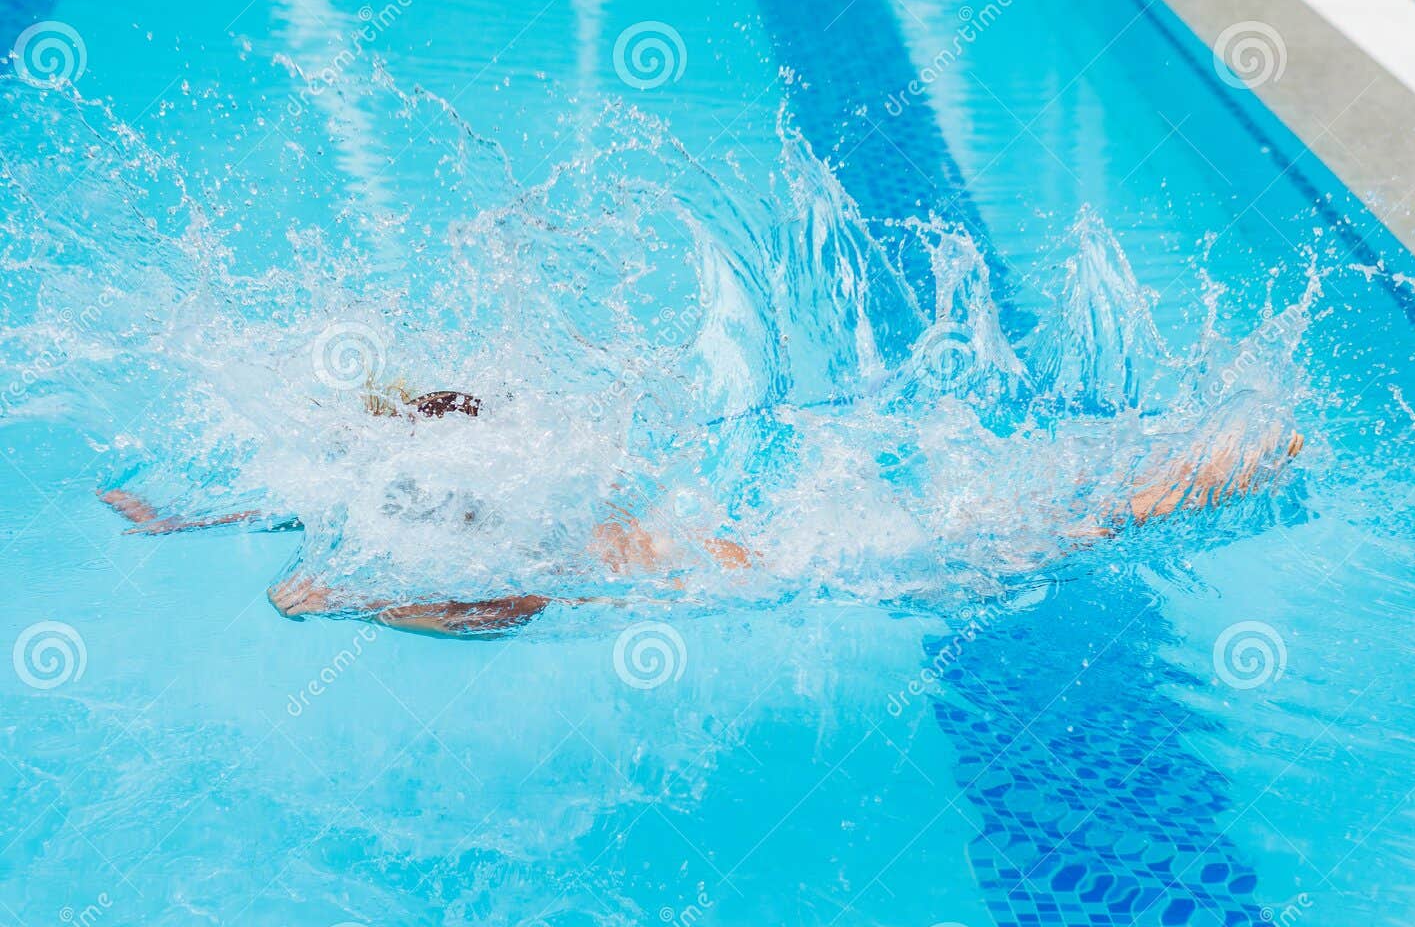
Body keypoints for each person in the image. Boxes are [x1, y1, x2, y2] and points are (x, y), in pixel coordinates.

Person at [99, 385, 1303, 637]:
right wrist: (179, 521)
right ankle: (1205, 454)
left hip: (792, 566)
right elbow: (295, 494)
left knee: (1002, 544)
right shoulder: (411, 479)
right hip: (764, 534)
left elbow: (507, 609)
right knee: (1003, 514)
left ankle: (1219, 472)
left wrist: (351, 602)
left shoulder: (497, 532)